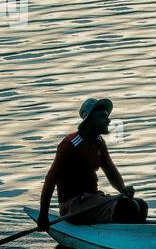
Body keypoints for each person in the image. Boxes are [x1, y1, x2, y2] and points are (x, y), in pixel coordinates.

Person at [37, 98, 148, 229]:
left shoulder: (99, 141)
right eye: (103, 117)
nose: (109, 120)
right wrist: (43, 215)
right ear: (90, 120)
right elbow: (50, 180)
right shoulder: (70, 144)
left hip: (93, 199)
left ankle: (129, 231)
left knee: (141, 205)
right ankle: (120, 236)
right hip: (74, 205)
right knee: (128, 208)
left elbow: (110, 170)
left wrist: (123, 190)